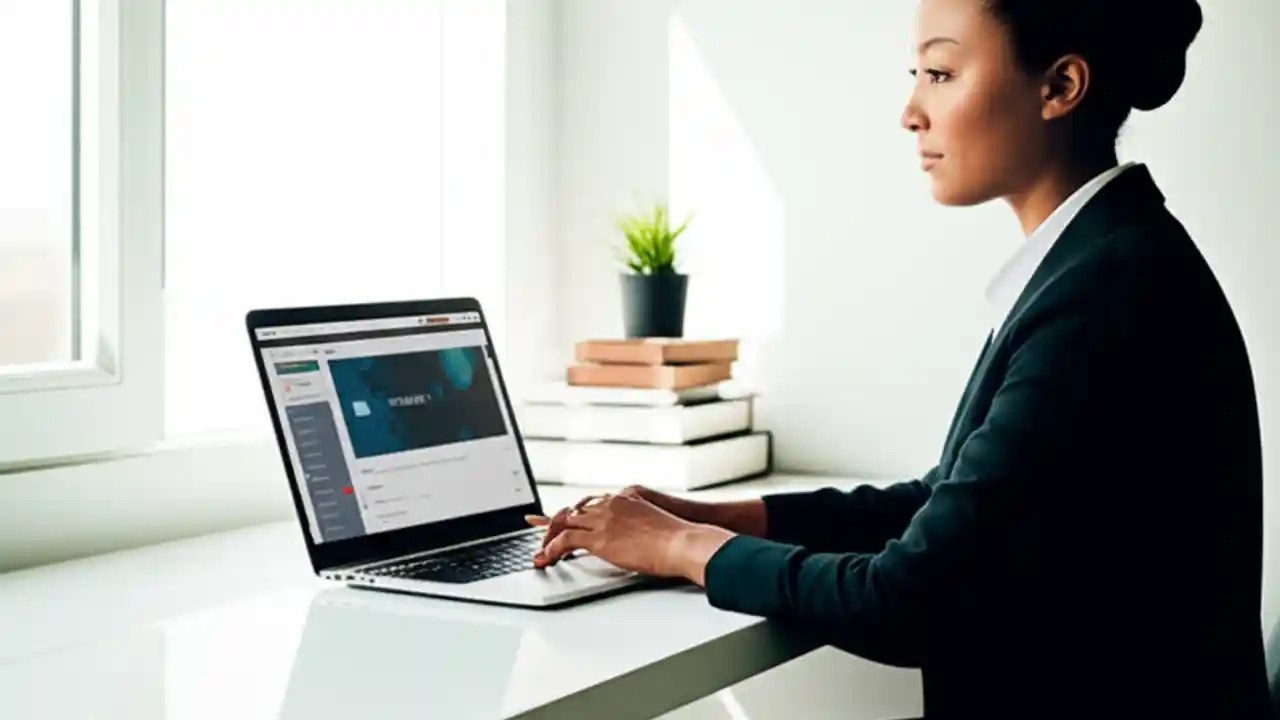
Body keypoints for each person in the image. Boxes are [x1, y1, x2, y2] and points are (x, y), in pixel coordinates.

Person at [528, 0, 1269, 716]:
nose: (911, 112)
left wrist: (685, 546)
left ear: (1060, 88)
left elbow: (911, 599)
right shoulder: (1103, 261)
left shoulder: (1105, 295)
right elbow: (945, 502)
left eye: (940, 75)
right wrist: (712, 516)